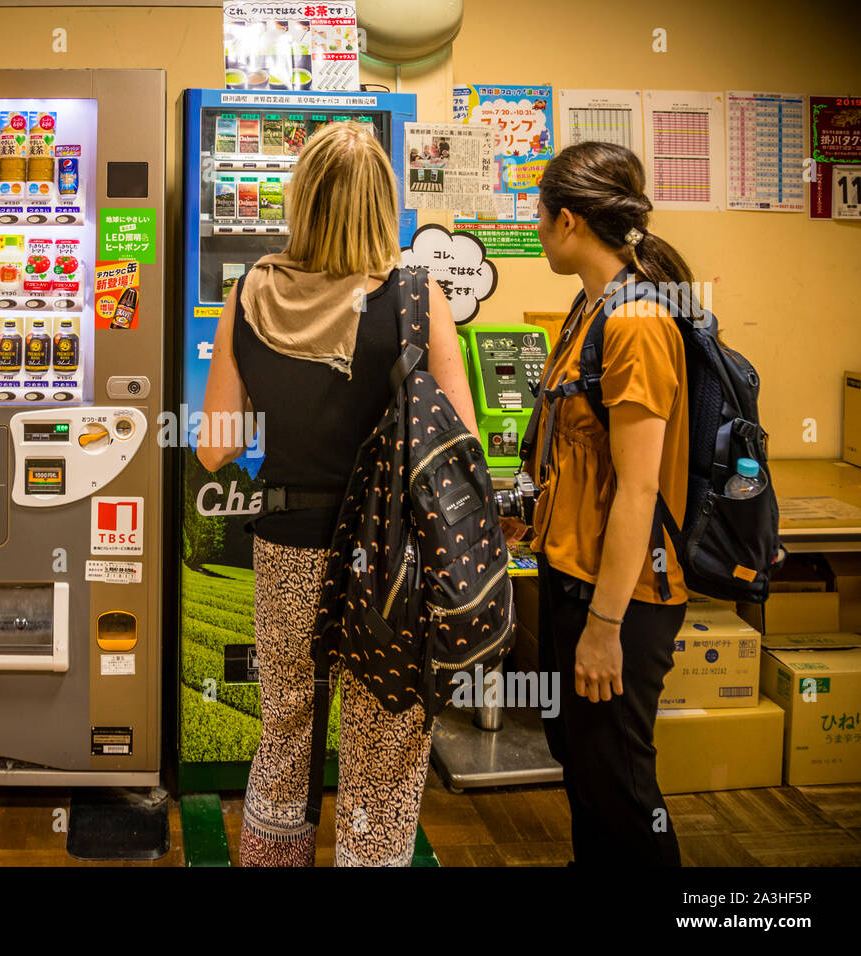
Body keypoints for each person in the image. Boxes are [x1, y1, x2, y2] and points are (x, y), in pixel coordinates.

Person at [197, 121, 477, 866]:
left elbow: (214, 443)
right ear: (382, 201)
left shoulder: (250, 290)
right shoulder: (420, 296)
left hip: (288, 548)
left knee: (286, 729)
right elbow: (462, 445)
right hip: (391, 559)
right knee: (383, 745)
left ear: (303, 198)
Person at [521, 140, 694, 866]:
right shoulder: (588, 309)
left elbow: (640, 488)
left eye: (538, 216)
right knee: (582, 764)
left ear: (568, 222)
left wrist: (603, 628)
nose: (534, 229)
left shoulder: (636, 324)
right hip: (574, 574)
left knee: (620, 784)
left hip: (625, 592)